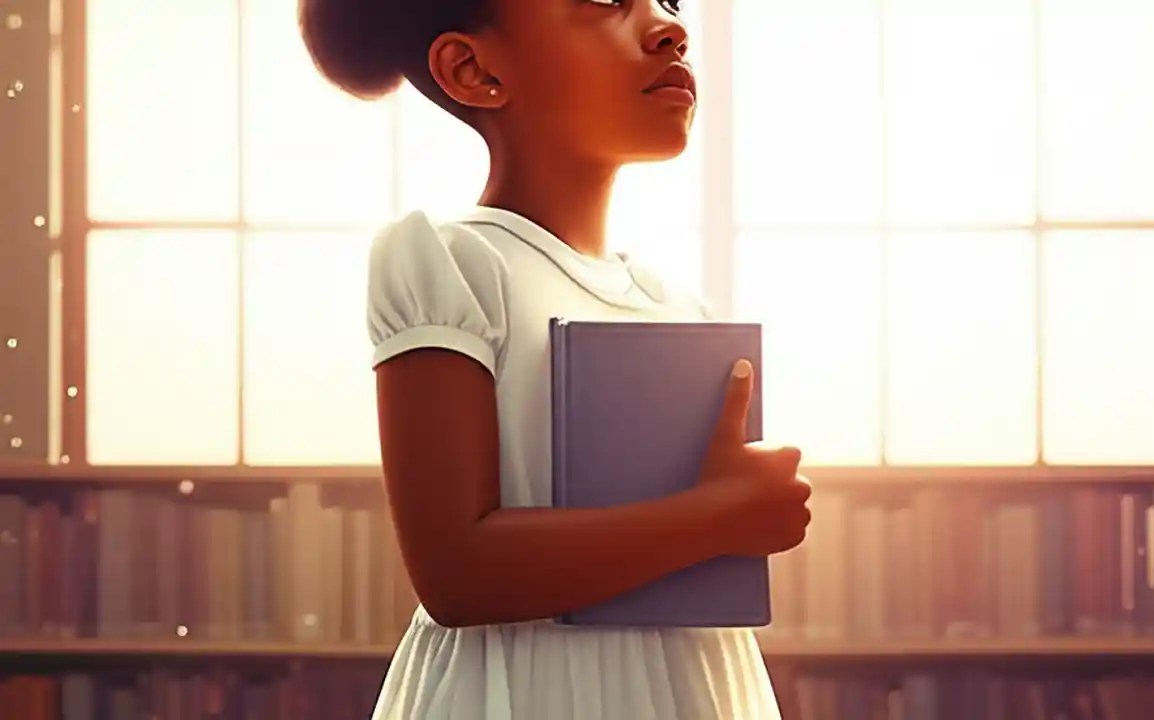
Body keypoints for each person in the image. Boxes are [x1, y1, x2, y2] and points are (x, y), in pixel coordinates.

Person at [298, 1, 813, 717]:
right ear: (472, 69)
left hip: (691, 686)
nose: (671, 28)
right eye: (606, 0)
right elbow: (456, 574)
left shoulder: (678, 303)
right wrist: (719, 518)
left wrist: (736, 513)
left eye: (668, 0)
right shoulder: (451, 264)